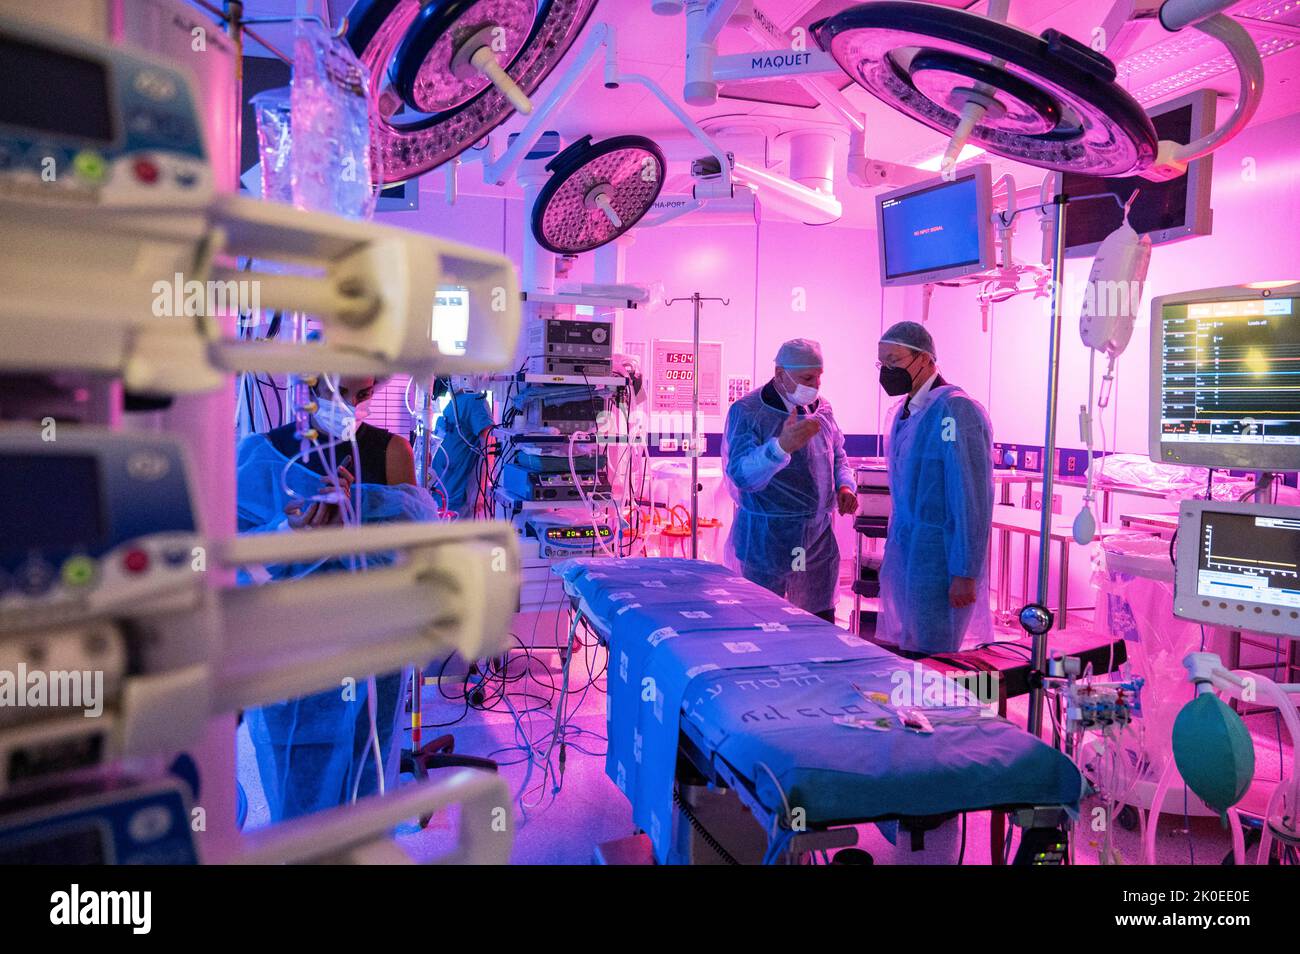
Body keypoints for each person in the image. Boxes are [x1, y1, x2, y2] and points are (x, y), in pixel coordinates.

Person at [236, 374, 430, 822]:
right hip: (293, 664)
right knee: (301, 813)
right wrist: (293, 534)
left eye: (364, 395)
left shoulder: (390, 452)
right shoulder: (261, 455)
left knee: (365, 800)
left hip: (374, 658)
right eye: (341, 392)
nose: (351, 405)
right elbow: (238, 575)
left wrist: (355, 527)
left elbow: (415, 563)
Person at [876, 321, 994, 656]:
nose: (887, 371)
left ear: (926, 359)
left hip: (941, 557)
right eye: (882, 363)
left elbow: (971, 495)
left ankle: (940, 711)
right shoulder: (906, 411)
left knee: (934, 656)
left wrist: (965, 571)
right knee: (910, 649)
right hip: (907, 549)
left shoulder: (954, 410)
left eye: (895, 361)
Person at [723, 338, 857, 622]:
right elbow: (741, 475)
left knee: (817, 623)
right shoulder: (748, 412)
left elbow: (838, 456)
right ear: (781, 374)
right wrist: (779, 448)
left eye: (819, 377)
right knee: (763, 624)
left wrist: (845, 485)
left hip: (816, 538)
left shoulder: (822, 409)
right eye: (807, 378)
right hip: (767, 539)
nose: (816, 385)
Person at [431, 376, 494, 519]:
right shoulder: (453, 403)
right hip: (442, 491)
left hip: (459, 495)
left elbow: (489, 446)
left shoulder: (474, 401)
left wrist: (481, 490)